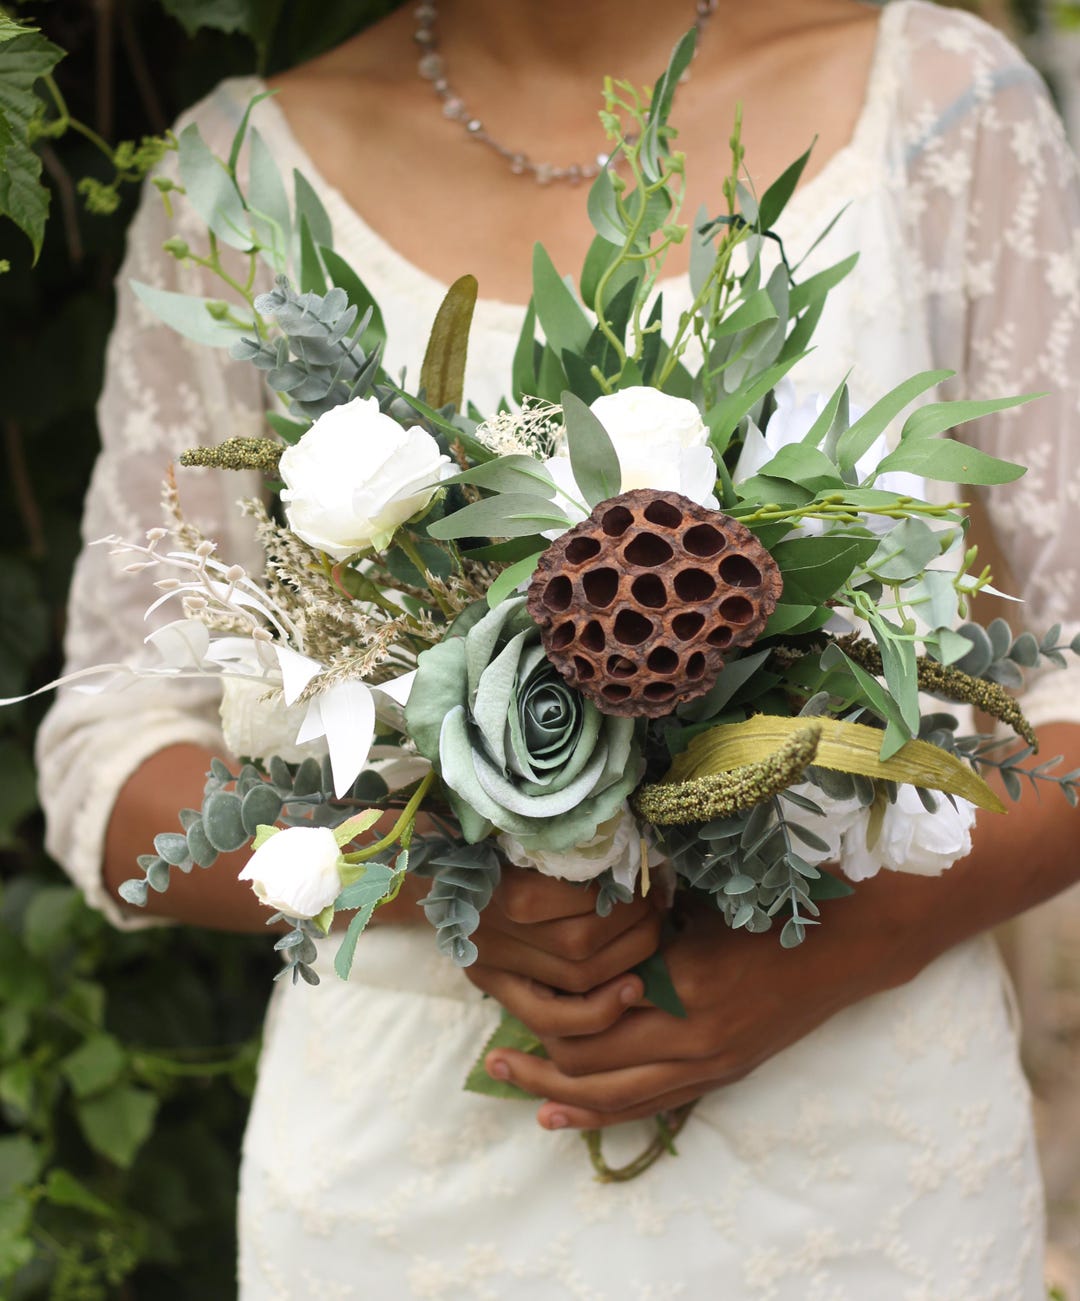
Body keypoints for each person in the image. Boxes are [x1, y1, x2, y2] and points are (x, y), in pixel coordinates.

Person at [37, 0, 1080, 1294]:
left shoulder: (936, 100)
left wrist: (857, 939)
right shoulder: (234, 177)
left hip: (863, 1153)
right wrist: (443, 881)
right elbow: (110, 757)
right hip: (412, 1192)